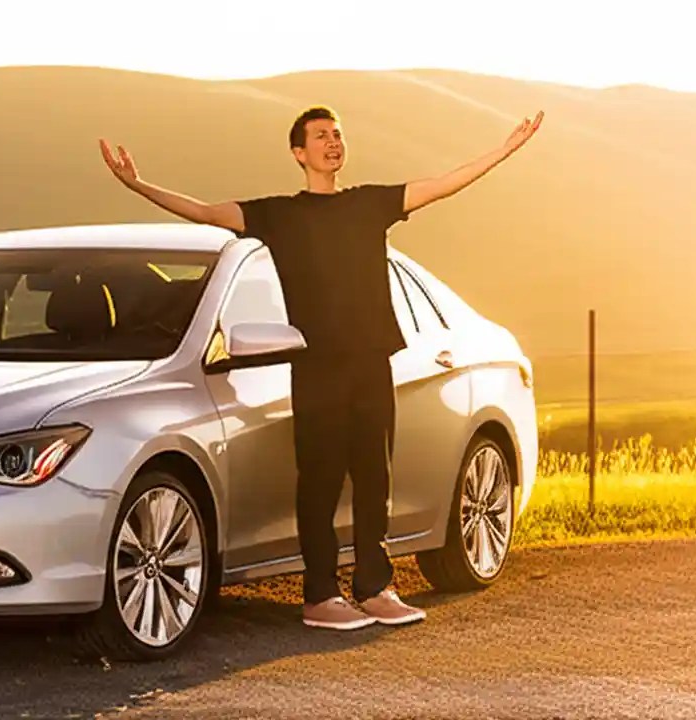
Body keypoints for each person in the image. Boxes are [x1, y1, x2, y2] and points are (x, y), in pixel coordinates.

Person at [99, 105, 543, 630]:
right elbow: (207, 213)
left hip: (373, 363)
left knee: (375, 478)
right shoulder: (280, 215)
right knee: (321, 481)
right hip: (317, 367)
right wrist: (138, 185)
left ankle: (376, 588)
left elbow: (442, 184)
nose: (333, 142)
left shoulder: (369, 204)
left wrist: (504, 150)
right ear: (298, 153)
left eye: (338, 134)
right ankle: (321, 596)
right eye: (321, 136)